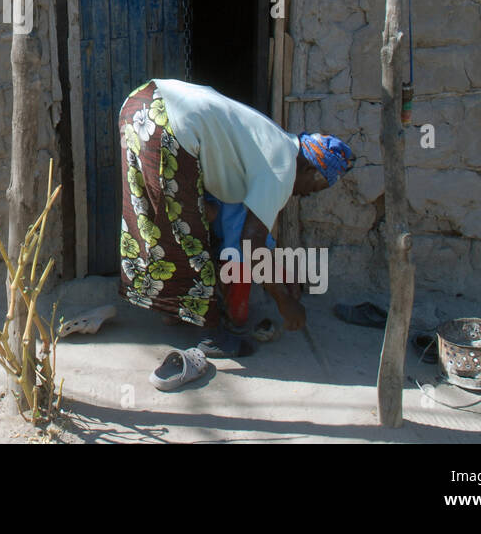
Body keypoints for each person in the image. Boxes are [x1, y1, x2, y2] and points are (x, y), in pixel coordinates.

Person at [118, 78, 354, 358]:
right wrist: (284, 303)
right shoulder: (283, 167)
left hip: (140, 104)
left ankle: (174, 310)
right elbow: (250, 245)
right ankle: (211, 336)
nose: (307, 195)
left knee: (160, 221)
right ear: (313, 172)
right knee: (188, 233)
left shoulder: (274, 142)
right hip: (168, 120)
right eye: (316, 187)